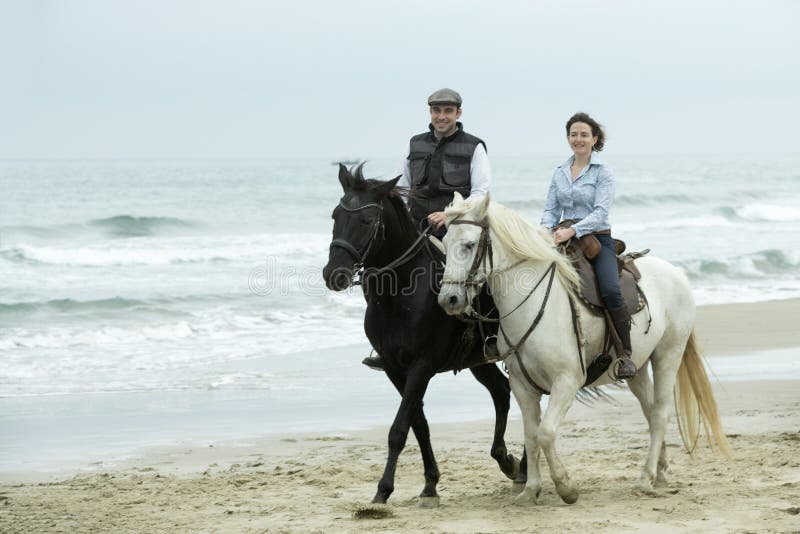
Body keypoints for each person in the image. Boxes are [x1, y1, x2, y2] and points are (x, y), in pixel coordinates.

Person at [362, 88, 493, 370]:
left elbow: (481, 192)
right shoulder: (415, 144)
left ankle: (486, 335)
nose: (441, 116)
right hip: (418, 226)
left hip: (456, 226)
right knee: (379, 272)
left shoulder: (474, 146)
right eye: (436, 111)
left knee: (474, 275)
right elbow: (405, 187)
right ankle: (385, 342)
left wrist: (450, 215)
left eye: (447, 111)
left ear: (458, 113)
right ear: (430, 113)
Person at [540, 112, 637, 379]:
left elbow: (600, 213)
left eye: (584, 134)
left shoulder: (603, 171)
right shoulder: (560, 172)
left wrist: (572, 229)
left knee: (609, 289)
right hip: (562, 236)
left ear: (594, 139)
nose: (578, 139)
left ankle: (625, 353)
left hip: (596, 239)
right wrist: (547, 231)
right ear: (568, 138)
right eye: (574, 134)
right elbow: (550, 209)